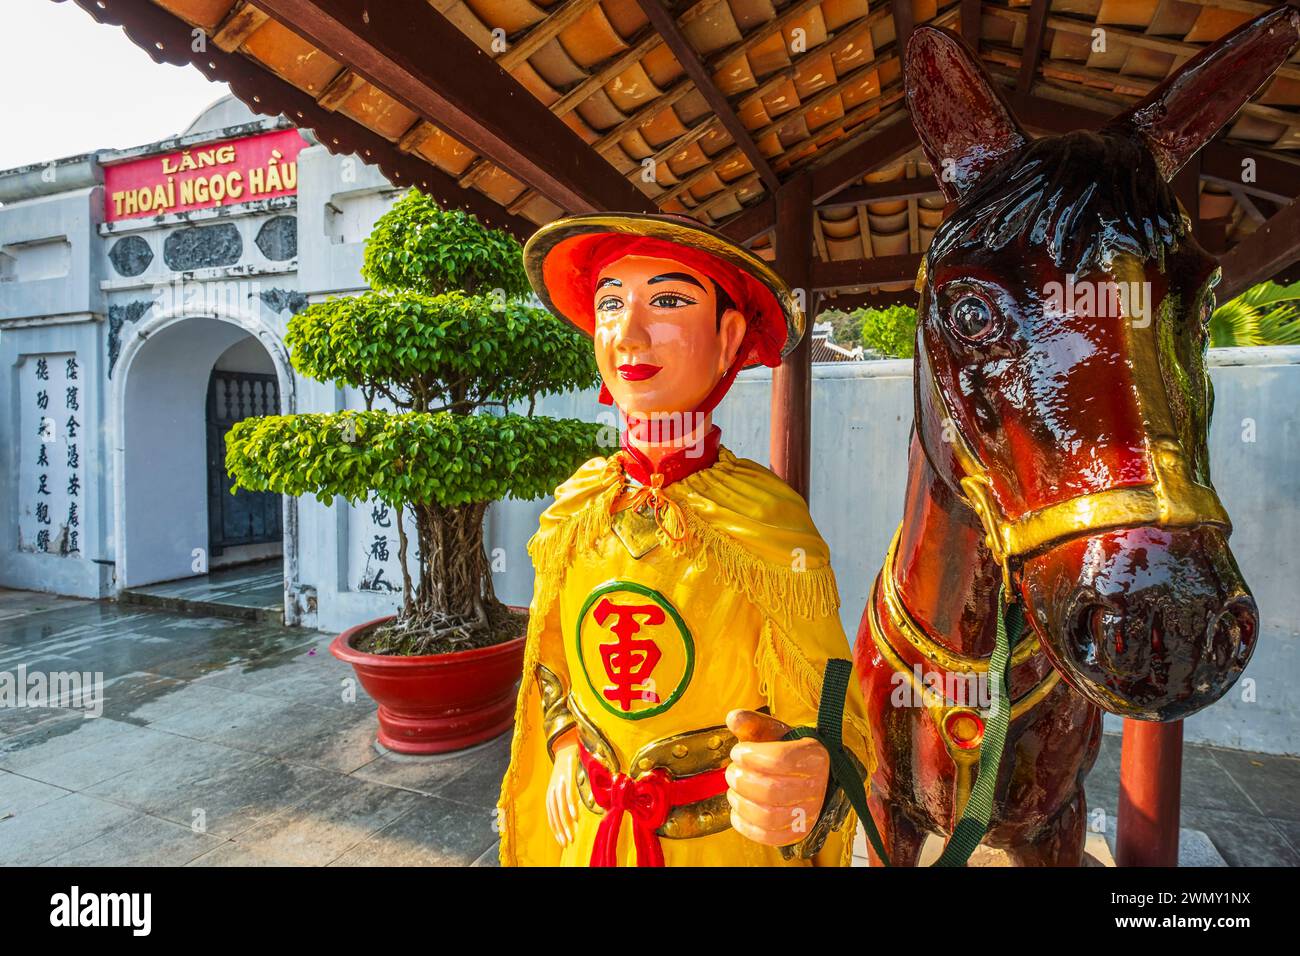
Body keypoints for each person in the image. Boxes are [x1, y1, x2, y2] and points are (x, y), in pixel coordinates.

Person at [497, 213, 871, 866]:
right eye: (610, 302)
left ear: (728, 337)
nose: (629, 332)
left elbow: (830, 695)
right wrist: (561, 746)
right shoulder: (578, 504)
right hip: (589, 820)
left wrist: (813, 766)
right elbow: (550, 654)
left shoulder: (767, 517)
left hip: (723, 840)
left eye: (667, 300)